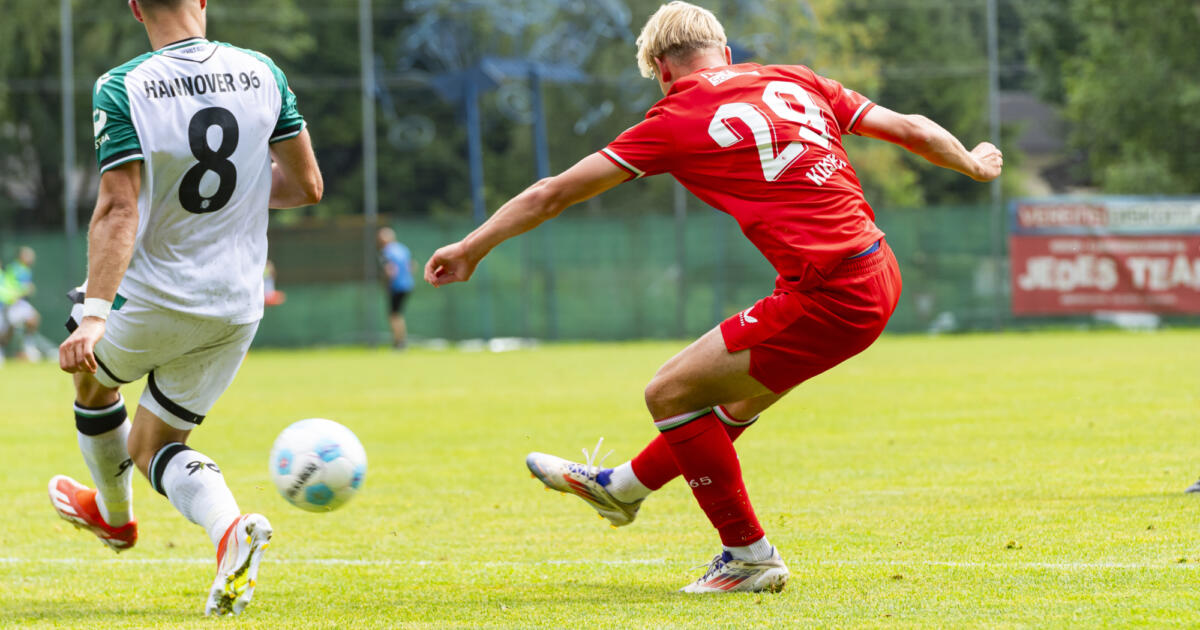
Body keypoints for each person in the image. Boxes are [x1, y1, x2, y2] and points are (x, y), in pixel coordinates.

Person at [425, 1, 1002, 594]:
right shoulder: (795, 80)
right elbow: (910, 127)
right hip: (877, 268)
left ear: (660, 67)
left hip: (832, 292)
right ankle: (621, 488)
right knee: (736, 403)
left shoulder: (675, 117)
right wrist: (974, 164)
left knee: (670, 391)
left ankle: (748, 556)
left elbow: (552, 194)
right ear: (725, 51)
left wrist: (472, 246)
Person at [49, 0, 322, 616]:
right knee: (154, 444)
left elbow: (119, 209)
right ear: (203, 1)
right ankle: (231, 529)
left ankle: (114, 518)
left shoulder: (124, 86)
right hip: (236, 306)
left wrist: (95, 314)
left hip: (155, 297)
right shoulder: (263, 72)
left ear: (135, 8)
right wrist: (246, 197)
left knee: (89, 378)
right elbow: (308, 186)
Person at [4, 246, 48, 360]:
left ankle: (27, 347)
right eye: (28, 255)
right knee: (8, 331)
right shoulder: (15, 269)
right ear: (22, 256)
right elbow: (8, 286)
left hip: (20, 303)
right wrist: (24, 290)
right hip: (13, 303)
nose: (32, 258)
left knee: (32, 320)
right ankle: (20, 349)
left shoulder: (26, 270)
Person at [377, 226, 414, 349]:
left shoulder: (386, 252)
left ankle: (399, 343)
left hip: (396, 286)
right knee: (398, 314)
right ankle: (401, 341)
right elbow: (412, 266)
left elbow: (390, 271)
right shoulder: (403, 249)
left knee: (394, 315)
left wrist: (387, 284)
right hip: (407, 285)